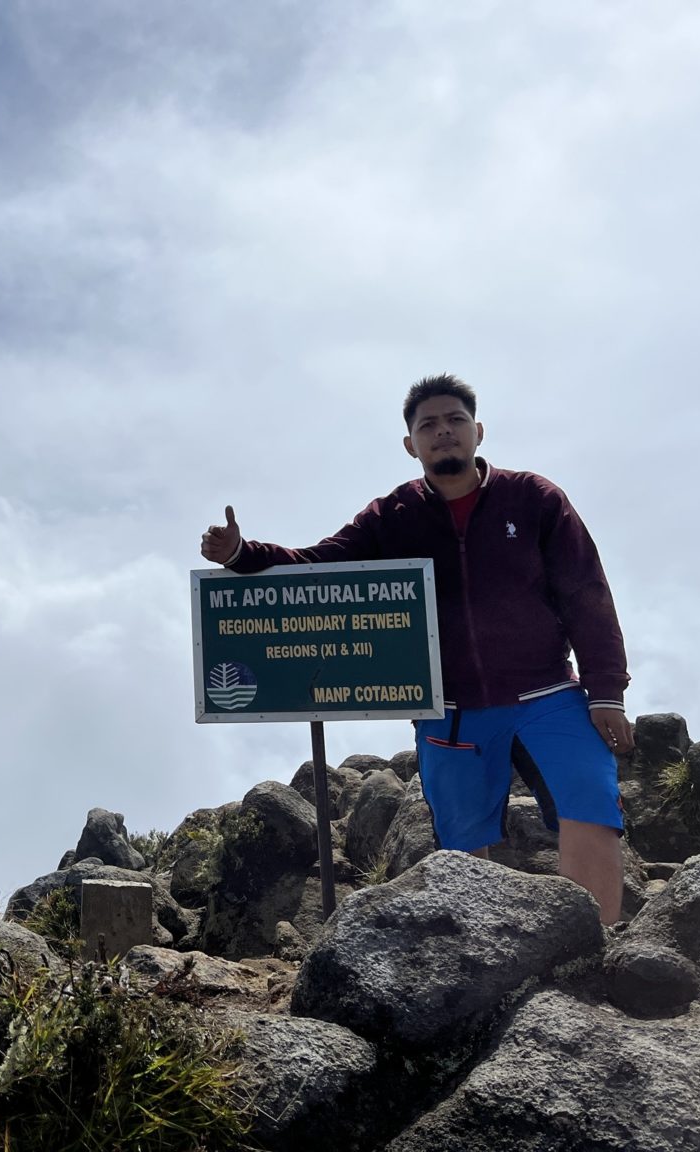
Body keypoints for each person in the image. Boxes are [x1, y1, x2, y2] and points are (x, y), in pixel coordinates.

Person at [199, 374, 634, 924]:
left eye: (454, 420)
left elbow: (585, 592)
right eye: (428, 425)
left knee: (591, 801)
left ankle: (595, 949)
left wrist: (607, 692)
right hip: (450, 709)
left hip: (547, 691)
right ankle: (485, 964)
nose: (443, 432)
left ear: (477, 431)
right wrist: (242, 553)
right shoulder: (394, 515)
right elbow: (322, 562)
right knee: (462, 846)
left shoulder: (533, 498)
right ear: (411, 445)